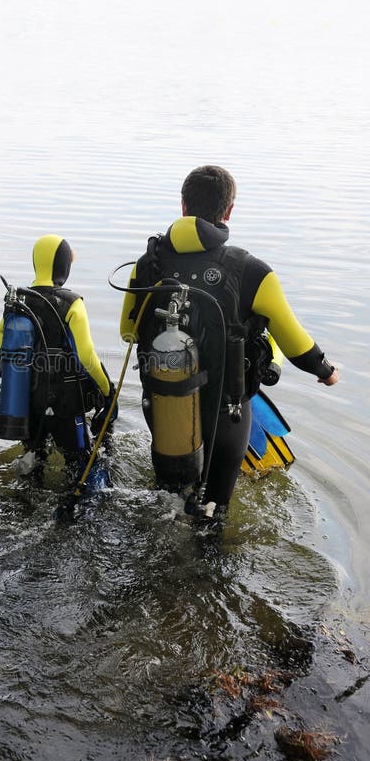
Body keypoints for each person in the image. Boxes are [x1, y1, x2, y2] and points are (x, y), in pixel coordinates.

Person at [120, 165, 338, 516]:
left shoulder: (149, 263)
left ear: (183, 205)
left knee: (168, 497)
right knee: (213, 512)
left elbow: (128, 332)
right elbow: (296, 344)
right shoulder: (251, 270)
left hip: (165, 403)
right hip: (226, 415)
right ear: (229, 210)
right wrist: (326, 371)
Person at [0, 234, 117, 480]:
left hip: (27, 404)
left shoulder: (17, 302)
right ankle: (72, 514)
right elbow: (86, 355)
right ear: (64, 266)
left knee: (33, 462)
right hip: (66, 405)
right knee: (79, 467)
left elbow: (5, 350)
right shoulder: (72, 303)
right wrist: (107, 390)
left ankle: (24, 509)